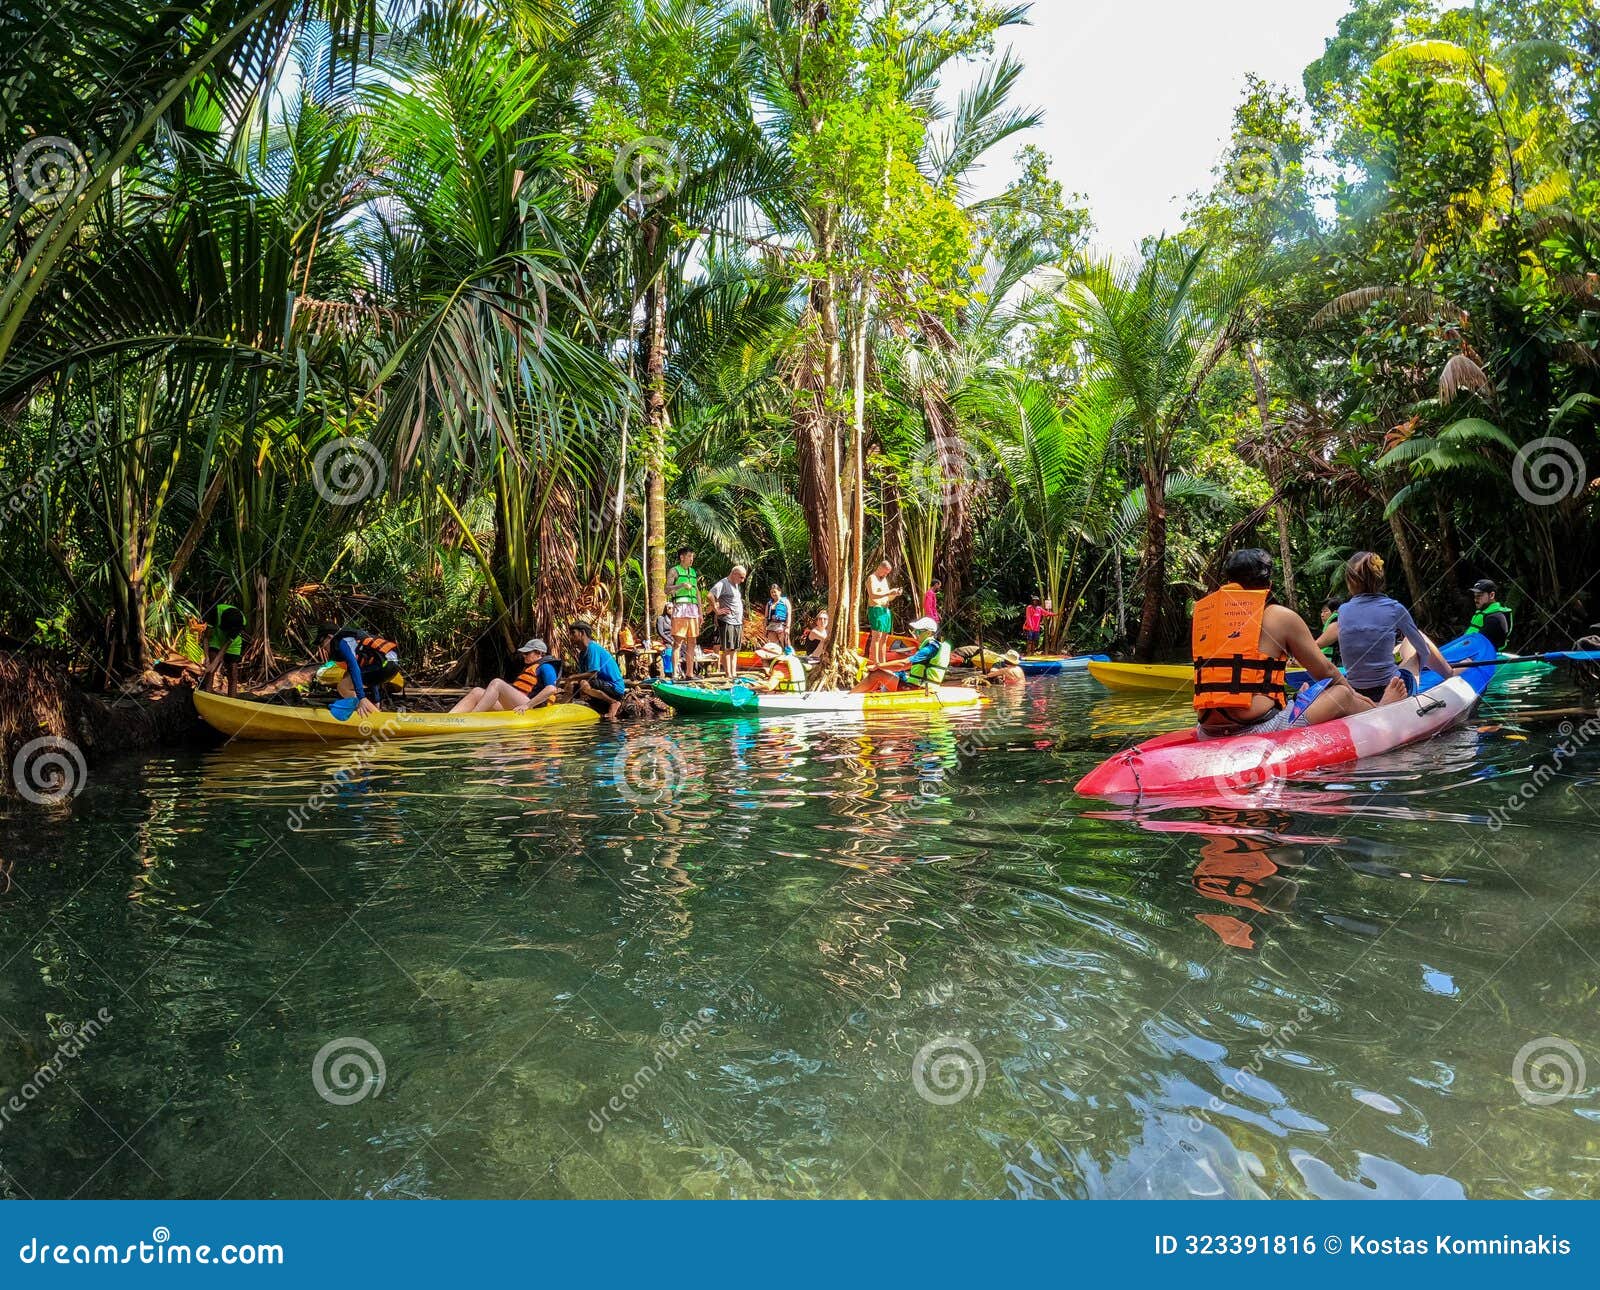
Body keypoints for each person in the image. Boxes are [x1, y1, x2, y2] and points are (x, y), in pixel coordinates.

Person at [1192, 549, 1370, 740]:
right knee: (1341, 693)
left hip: (1206, 730)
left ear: (1229, 582)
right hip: (1261, 728)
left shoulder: (1204, 615)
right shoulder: (1280, 616)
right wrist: (1356, 696)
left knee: (1305, 693)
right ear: (1269, 584)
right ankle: (1381, 708)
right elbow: (1326, 672)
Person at [1337, 550, 1455, 703]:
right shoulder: (1394, 608)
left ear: (1350, 582)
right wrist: (1416, 672)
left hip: (1357, 691)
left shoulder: (1342, 610)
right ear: (1380, 579)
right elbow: (1424, 651)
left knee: (1403, 646)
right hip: (1393, 689)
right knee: (1420, 639)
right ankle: (1450, 675)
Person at [450, 639, 560, 713]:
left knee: (497, 683)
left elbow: (551, 689)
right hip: (518, 704)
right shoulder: (532, 666)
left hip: (532, 708)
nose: (524, 655)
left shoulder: (546, 667)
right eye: (524, 653)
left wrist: (528, 705)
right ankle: (448, 718)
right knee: (477, 691)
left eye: (527, 653)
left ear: (539, 653)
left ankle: (473, 718)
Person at [320, 627, 403, 718]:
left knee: (343, 687)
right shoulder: (356, 643)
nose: (323, 647)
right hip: (392, 664)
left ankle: (377, 719)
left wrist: (361, 698)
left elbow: (354, 667)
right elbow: (372, 677)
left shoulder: (341, 641)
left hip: (385, 664)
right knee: (349, 678)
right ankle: (375, 711)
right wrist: (376, 701)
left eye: (322, 642)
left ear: (329, 637)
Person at [858, 616, 949, 693]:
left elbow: (904, 664)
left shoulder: (930, 648)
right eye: (914, 631)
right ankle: (872, 693)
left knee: (878, 674)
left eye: (917, 632)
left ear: (928, 633)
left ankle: (857, 697)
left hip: (921, 689)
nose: (915, 634)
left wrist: (878, 666)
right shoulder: (934, 645)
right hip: (920, 685)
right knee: (898, 673)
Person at [567, 621, 627, 719]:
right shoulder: (582, 653)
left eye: (573, 633)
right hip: (601, 685)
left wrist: (571, 677)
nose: (571, 637)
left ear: (582, 633)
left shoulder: (592, 648)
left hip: (614, 688)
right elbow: (582, 674)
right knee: (572, 686)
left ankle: (613, 702)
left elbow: (593, 674)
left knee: (582, 682)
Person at [667, 547, 701, 680]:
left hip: (693, 609)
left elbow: (697, 592)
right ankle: (675, 673)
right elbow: (666, 589)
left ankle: (689, 673)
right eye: (689, 556)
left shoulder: (692, 572)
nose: (691, 559)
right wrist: (680, 586)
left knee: (692, 641)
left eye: (692, 556)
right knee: (678, 642)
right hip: (680, 607)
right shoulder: (674, 571)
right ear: (682, 557)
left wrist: (700, 611)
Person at [708, 565, 747, 681]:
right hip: (727, 620)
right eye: (741, 577)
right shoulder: (723, 583)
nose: (742, 580)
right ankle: (728, 674)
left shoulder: (735, 585)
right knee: (728, 648)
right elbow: (710, 595)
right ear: (734, 574)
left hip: (737, 621)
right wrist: (716, 610)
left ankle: (733, 673)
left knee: (735, 649)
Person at [200, 602, 246, 697]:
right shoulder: (215, 613)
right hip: (216, 637)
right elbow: (206, 637)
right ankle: (207, 693)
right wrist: (207, 657)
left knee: (233, 672)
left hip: (233, 643)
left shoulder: (241, 623)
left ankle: (232, 700)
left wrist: (215, 663)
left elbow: (225, 646)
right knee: (211, 669)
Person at [866, 561, 902, 666]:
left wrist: (895, 594)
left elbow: (888, 597)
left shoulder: (884, 580)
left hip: (885, 610)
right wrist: (889, 592)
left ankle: (883, 662)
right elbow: (873, 595)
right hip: (875, 608)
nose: (886, 575)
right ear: (880, 568)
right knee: (877, 636)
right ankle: (875, 662)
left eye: (887, 573)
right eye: (885, 572)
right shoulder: (871, 578)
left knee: (884, 638)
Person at [1467, 579, 1513, 651]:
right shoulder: (1484, 613)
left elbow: (1481, 645)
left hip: (1484, 657)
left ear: (1491, 595)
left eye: (1479, 596)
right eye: (1475, 596)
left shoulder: (1494, 619)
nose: (1475, 599)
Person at [764, 583, 792, 648]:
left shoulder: (785, 601)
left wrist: (788, 627)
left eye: (775, 592)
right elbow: (766, 617)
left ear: (779, 592)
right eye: (772, 592)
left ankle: (790, 656)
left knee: (786, 644)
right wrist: (764, 628)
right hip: (771, 626)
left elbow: (789, 615)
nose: (773, 594)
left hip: (782, 625)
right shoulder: (769, 603)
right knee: (774, 646)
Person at [654, 603, 675, 678]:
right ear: (665, 608)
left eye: (672, 608)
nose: (671, 609)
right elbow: (661, 632)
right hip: (665, 641)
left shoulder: (674, 618)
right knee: (669, 652)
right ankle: (669, 672)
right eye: (669, 608)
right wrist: (670, 641)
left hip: (675, 639)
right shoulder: (661, 618)